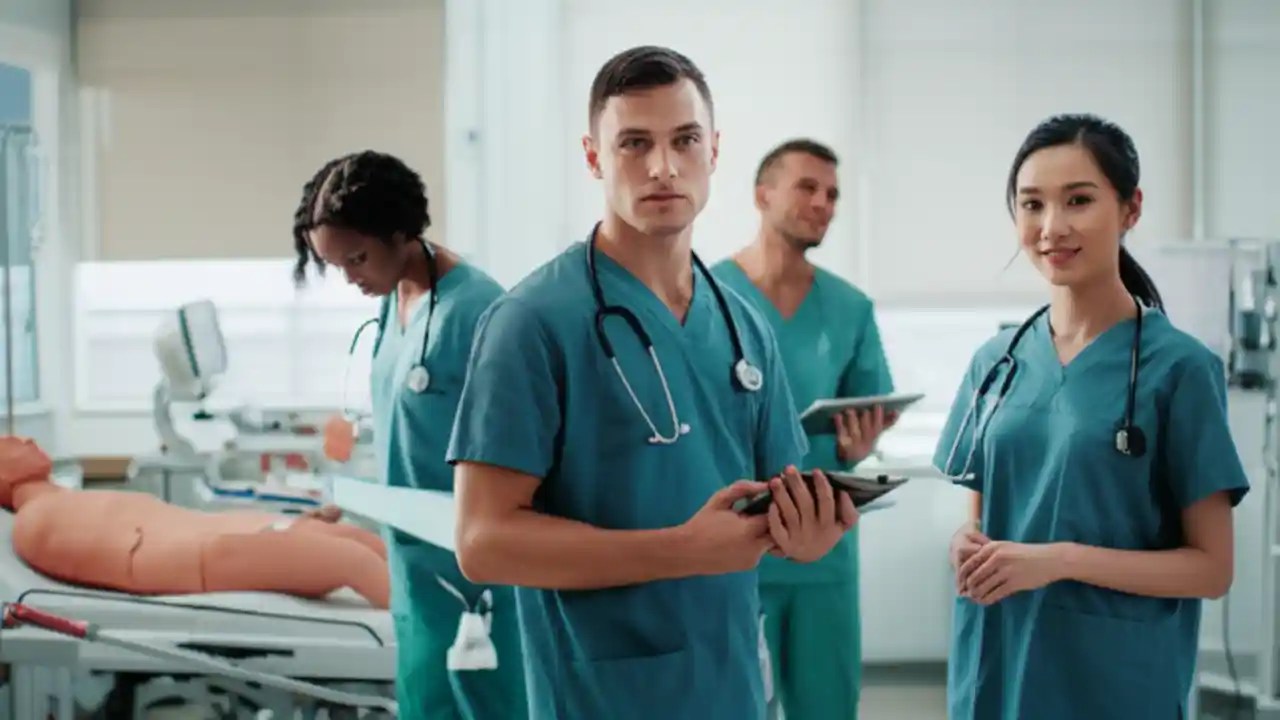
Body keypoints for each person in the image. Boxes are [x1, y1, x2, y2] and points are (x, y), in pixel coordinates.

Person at [446, 45, 858, 720]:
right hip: (601, 695)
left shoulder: (743, 325)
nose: (663, 166)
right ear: (593, 158)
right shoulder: (531, 322)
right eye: (634, 143)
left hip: (730, 688)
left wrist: (805, 535)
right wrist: (681, 550)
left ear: (713, 151)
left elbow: (776, 503)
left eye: (684, 140)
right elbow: (482, 543)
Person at [933, 113, 1250, 720]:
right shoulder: (996, 362)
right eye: (1032, 204)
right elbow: (980, 520)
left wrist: (1058, 560)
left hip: (1111, 680)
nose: (1052, 227)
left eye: (1078, 200)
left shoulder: (1179, 369)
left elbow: (1212, 569)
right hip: (996, 664)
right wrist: (962, 545)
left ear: (1131, 209)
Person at [291, 151, 527, 720]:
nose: (350, 277)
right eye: (336, 265)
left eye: (357, 258)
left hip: (477, 577)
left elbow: (521, 450)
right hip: (416, 572)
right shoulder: (393, 302)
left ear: (400, 230)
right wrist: (354, 503)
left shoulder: (478, 312)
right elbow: (412, 438)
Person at [711, 138, 895, 720]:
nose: (823, 204)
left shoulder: (850, 307)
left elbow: (870, 409)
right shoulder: (705, 296)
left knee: (827, 705)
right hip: (734, 543)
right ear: (762, 195)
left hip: (824, 543)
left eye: (833, 194)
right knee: (735, 704)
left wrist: (860, 445)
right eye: (808, 187)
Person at [2, 435, 391, 608]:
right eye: (9, 444)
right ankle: (427, 655)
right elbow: (133, 568)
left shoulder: (64, 501)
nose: (26, 441)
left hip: (227, 537)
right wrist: (265, 547)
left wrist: (285, 528)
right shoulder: (34, 523)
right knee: (352, 560)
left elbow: (177, 522)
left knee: (358, 539)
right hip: (207, 557)